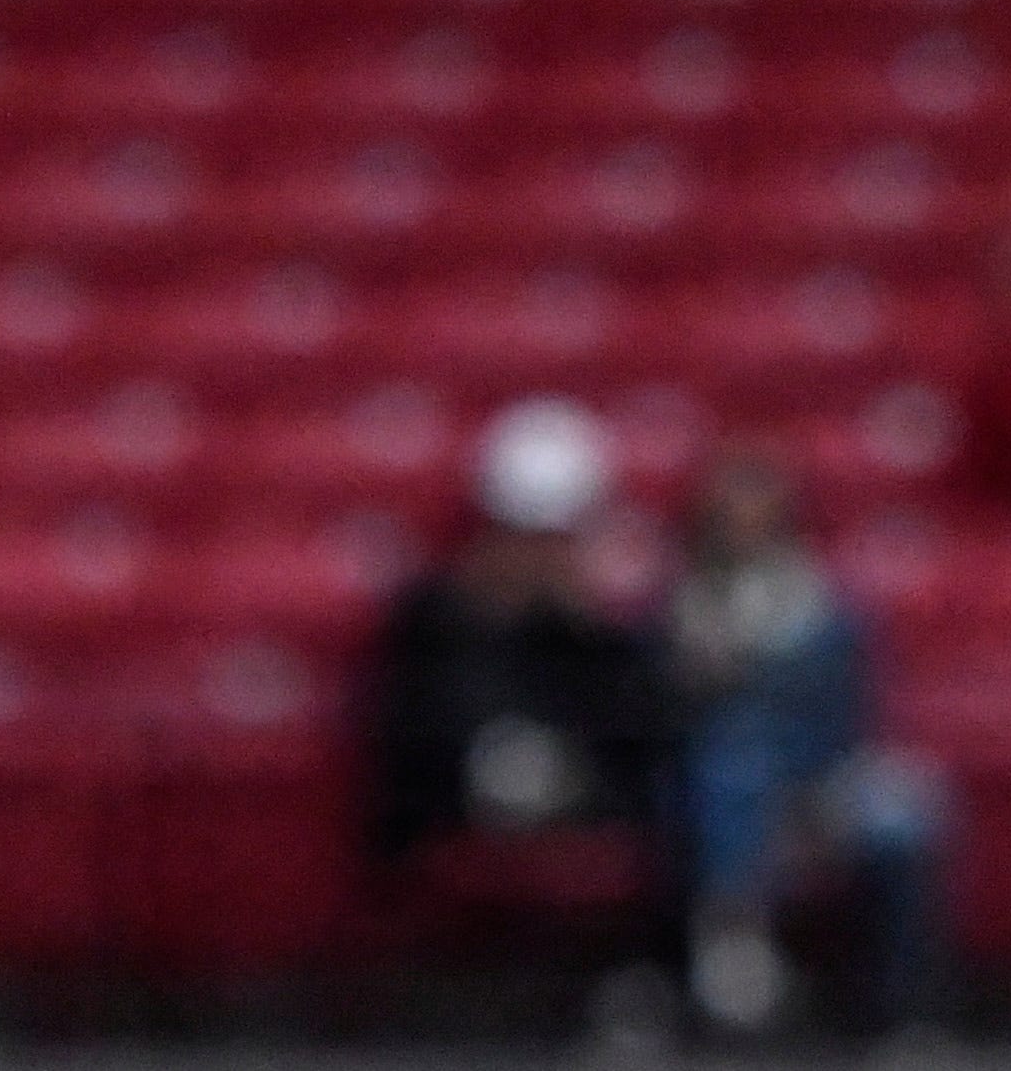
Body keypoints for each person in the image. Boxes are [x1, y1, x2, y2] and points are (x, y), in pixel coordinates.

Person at [666, 445, 949, 1039]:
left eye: (760, 519)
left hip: (822, 782)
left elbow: (850, 719)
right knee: (735, 760)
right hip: (712, 794)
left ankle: (898, 1011)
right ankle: (733, 942)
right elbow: (657, 726)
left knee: (907, 816)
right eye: (731, 520)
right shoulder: (679, 607)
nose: (745, 533)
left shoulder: (825, 607)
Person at [368, 395, 675, 872]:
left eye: (555, 539)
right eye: (524, 537)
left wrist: (593, 629)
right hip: (457, 830)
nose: (538, 555)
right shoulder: (437, 615)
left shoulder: (603, 629)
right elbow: (413, 751)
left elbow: (638, 736)